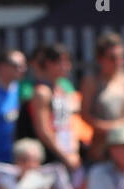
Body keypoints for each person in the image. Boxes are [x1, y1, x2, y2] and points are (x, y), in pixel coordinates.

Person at [14, 42, 80, 178]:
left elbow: (69, 124)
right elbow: (43, 130)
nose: (67, 67)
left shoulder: (62, 90)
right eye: (62, 62)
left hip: (63, 153)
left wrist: (73, 151)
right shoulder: (41, 92)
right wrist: (65, 155)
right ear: (49, 63)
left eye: (68, 62)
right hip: (46, 158)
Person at [79, 32, 124, 166]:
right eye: (112, 58)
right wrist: (109, 129)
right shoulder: (91, 83)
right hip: (101, 149)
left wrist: (119, 128)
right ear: (100, 59)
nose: (118, 62)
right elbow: (85, 115)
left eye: (121, 57)